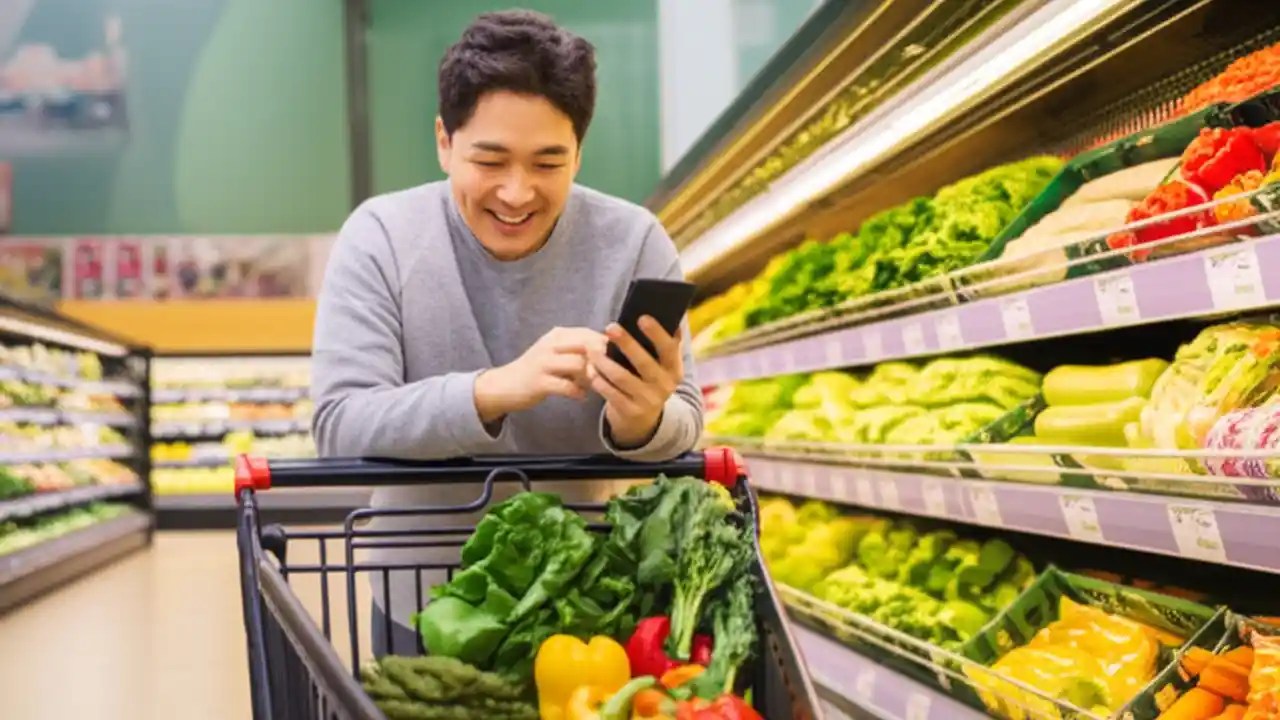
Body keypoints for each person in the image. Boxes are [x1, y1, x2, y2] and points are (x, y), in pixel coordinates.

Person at [310, 10, 703, 655]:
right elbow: (339, 421)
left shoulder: (634, 242)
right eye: (489, 160)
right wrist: (492, 392)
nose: (516, 193)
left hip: (586, 596)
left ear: (579, 151)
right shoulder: (381, 236)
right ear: (444, 141)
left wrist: (643, 421)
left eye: (548, 163)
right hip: (424, 599)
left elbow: (685, 422)